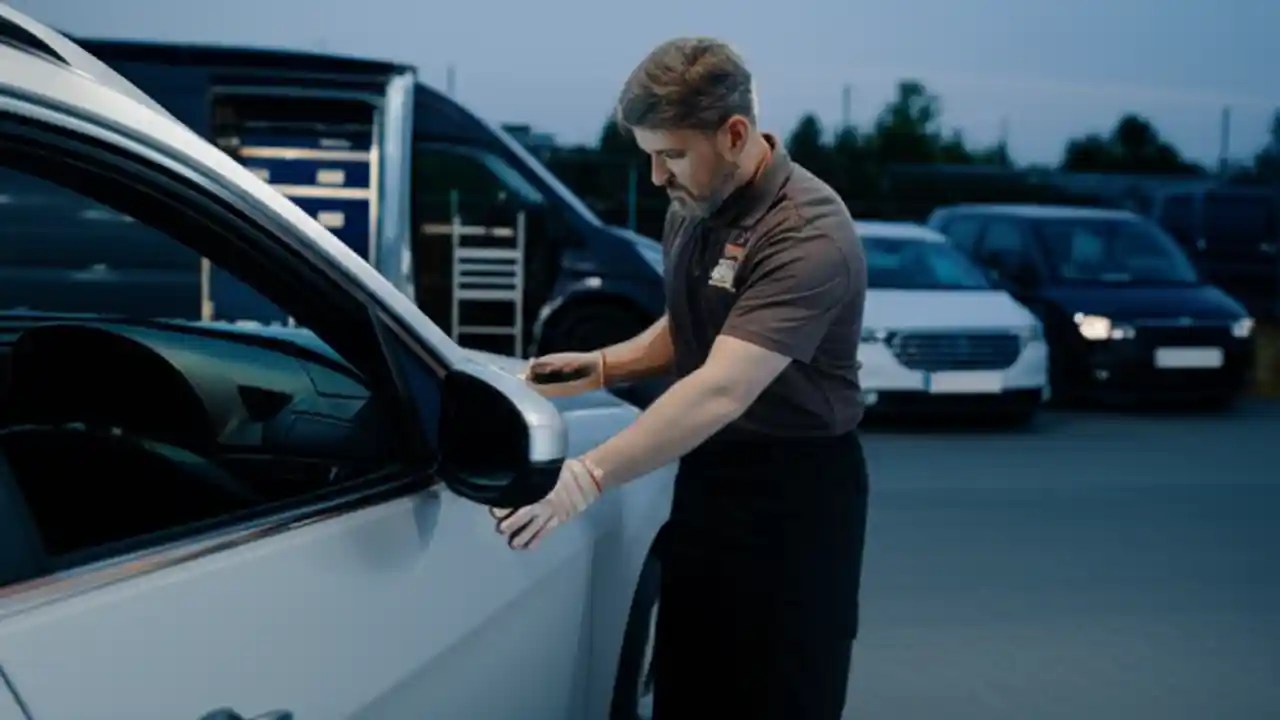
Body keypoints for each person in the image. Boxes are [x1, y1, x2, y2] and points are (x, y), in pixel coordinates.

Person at [493, 36, 869, 720]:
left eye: (670, 155)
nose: (657, 179)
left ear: (734, 133)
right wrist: (605, 364)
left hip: (799, 494)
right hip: (710, 471)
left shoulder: (808, 234)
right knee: (691, 680)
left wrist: (584, 477)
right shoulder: (695, 203)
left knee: (780, 693)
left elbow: (724, 384)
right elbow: (700, 319)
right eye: (649, 157)